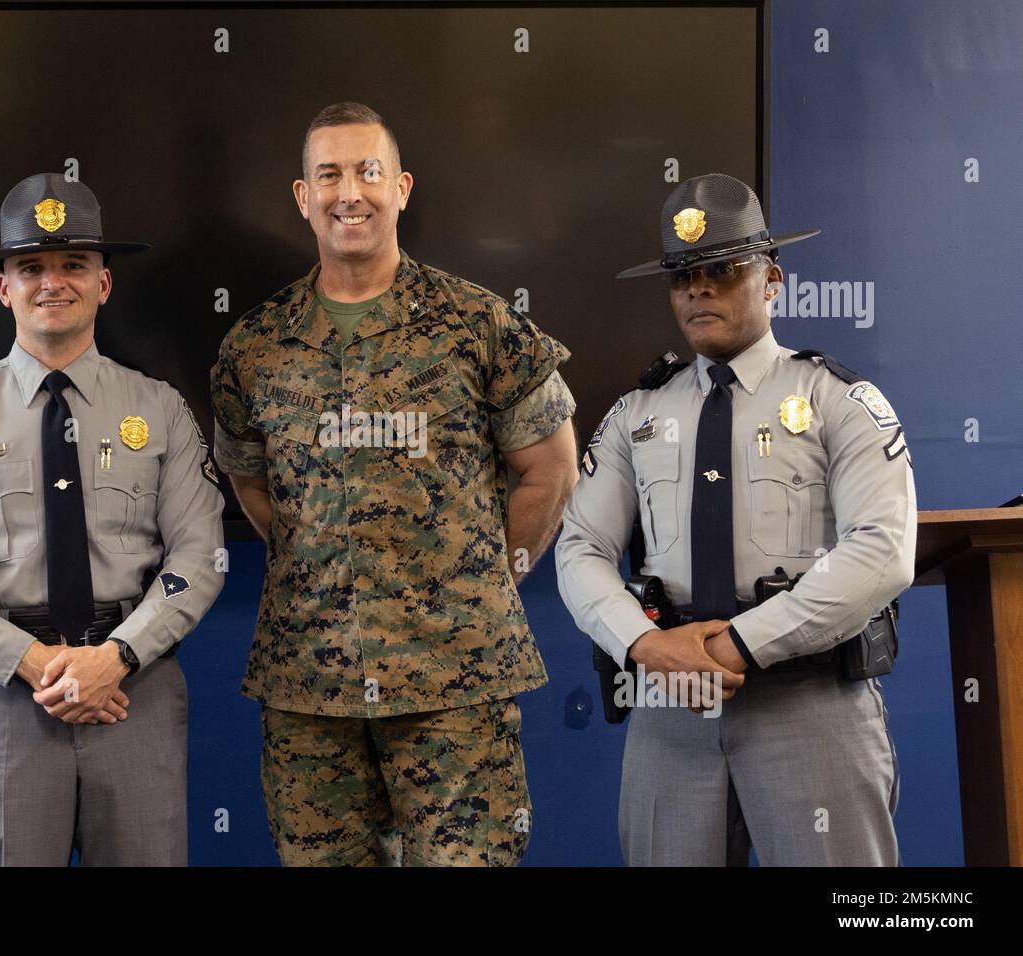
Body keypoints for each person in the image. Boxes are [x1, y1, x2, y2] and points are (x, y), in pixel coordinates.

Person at [210, 102, 579, 867]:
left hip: (456, 685)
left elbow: (551, 470)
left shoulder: (478, 324)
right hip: (311, 688)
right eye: (329, 175)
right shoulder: (254, 346)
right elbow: (252, 482)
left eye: (368, 172)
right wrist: (327, 565)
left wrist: (480, 576)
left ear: (401, 188)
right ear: (302, 196)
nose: (350, 192)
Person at [555, 173, 916, 866]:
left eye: (721, 270)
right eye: (683, 277)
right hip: (672, 707)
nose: (698, 290)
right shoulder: (635, 414)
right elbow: (580, 548)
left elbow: (883, 550)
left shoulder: (836, 399)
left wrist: (738, 646)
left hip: (808, 700)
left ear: (771, 280)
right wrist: (646, 644)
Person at [0, 172, 224, 865]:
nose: (53, 282)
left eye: (74, 264)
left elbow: (200, 557)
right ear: (4, 287)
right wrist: (36, 662)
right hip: (4, 694)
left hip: (133, 688)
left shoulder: (160, 409)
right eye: (31, 267)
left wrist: (117, 657)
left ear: (104, 283)